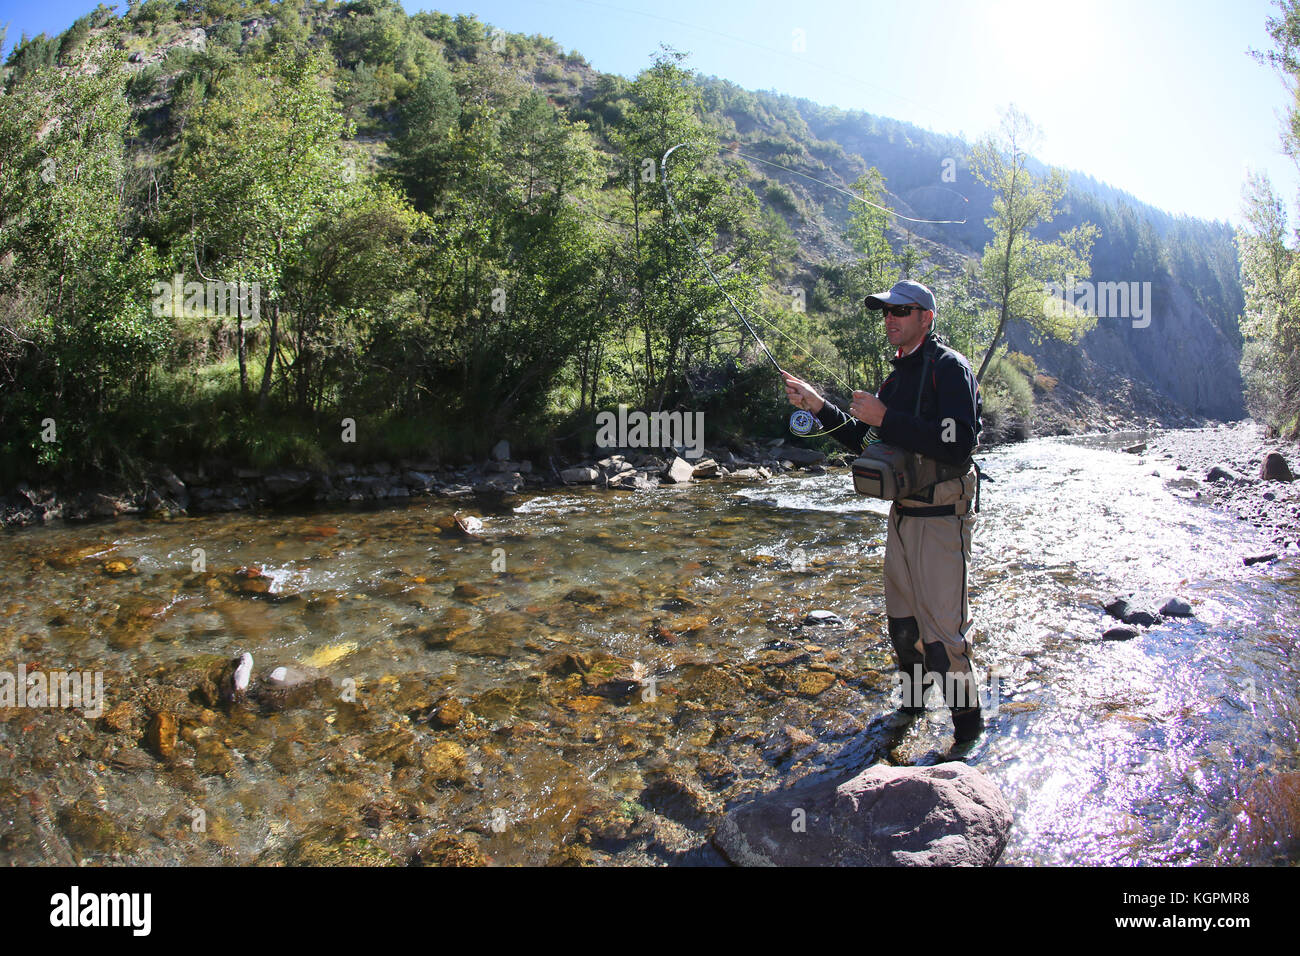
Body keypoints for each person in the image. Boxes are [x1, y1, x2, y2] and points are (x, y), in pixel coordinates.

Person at [781, 279, 985, 744]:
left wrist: (885, 417)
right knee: (903, 624)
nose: (890, 319)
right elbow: (870, 442)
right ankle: (911, 710)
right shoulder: (896, 378)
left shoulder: (950, 370)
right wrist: (818, 407)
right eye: (887, 312)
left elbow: (959, 443)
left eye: (901, 311)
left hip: (942, 520)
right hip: (903, 516)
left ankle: (967, 734)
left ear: (925, 318)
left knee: (943, 636)